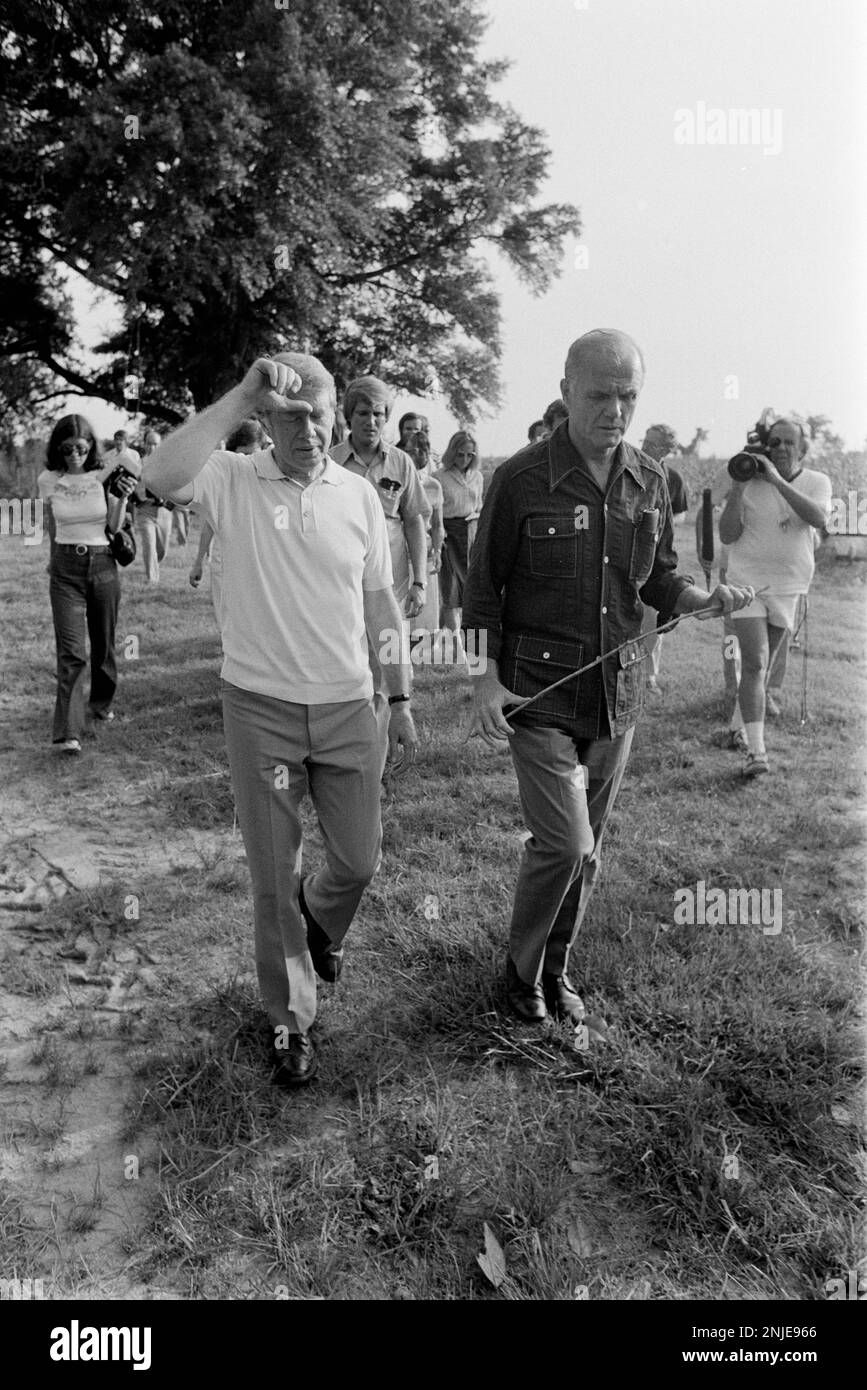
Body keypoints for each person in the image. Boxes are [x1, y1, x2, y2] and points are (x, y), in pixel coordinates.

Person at [462, 330, 754, 1024]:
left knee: (586, 853)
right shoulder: (520, 478)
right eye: (599, 395)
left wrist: (697, 599)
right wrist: (481, 679)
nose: (614, 410)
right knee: (565, 841)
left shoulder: (649, 480)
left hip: (614, 693)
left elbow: (655, 577)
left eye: (627, 396)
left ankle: (553, 972)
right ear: (566, 391)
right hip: (533, 691)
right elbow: (480, 590)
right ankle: (518, 971)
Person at [141, 353, 417, 1086]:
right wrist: (238, 394)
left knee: (358, 862)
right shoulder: (230, 479)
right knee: (274, 873)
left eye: (320, 416)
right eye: (291, 416)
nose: (310, 430)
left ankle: (318, 922)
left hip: (349, 703)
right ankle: (290, 1021)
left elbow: (379, 602)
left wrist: (397, 694)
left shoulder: (358, 495)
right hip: (258, 707)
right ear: (264, 419)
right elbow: (158, 477)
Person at [719, 417, 831, 778]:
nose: (780, 448)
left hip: (789, 586)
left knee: (761, 669)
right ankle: (757, 751)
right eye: (775, 442)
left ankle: (738, 727)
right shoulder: (748, 480)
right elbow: (727, 534)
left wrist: (776, 480)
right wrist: (737, 488)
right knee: (754, 663)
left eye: (788, 443)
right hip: (747, 583)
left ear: (802, 449)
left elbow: (816, 518)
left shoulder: (817, 482)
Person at [330, 377, 431, 709]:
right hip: (342, 577)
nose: (370, 422)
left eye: (378, 414)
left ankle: (390, 718)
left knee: (389, 647)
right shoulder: (330, 461)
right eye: (362, 413)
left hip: (392, 577)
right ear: (348, 416)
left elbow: (415, 519)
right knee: (348, 651)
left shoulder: (400, 462)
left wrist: (420, 581)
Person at [37, 415, 135, 753]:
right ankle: (69, 732)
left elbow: (114, 523)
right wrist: (53, 561)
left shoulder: (102, 475)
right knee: (71, 652)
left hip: (103, 564)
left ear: (91, 446)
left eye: (81, 447)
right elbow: (52, 524)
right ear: (58, 448)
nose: (75, 454)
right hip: (66, 568)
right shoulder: (48, 480)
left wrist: (121, 498)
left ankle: (101, 703)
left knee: (103, 643)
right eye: (67, 449)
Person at [189, 419, 267, 628]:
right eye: (242, 453)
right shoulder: (223, 482)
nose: (246, 459)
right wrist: (198, 562)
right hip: (224, 563)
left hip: (260, 565)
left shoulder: (272, 484)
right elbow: (209, 525)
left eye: (252, 453)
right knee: (227, 625)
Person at [639, 424, 689, 696]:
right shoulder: (630, 468)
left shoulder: (674, 478)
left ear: (667, 450)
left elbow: (681, 513)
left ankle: (649, 676)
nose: (647, 448)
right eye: (646, 442)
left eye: (655, 445)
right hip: (631, 552)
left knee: (654, 617)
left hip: (658, 555)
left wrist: (664, 516)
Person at [434, 430, 484, 656]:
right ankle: (457, 646)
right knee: (451, 589)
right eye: (460, 454)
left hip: (471, 532)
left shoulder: (478, 476)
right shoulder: (439, 477)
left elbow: (479, 505)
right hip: (448, 534)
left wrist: (477, 517)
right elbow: (432, 512)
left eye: (469, 455)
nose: (464, 460)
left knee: (471, 589)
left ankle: (470, 640)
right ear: (452, 453)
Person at [403, 429, 444, 641]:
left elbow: (437, 525)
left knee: (424, 617)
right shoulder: (398, 481)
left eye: (420, 451)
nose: (415, 455)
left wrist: (438, 551)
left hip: (425, 554)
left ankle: (420, 656)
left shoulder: (433, 486)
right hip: (400, 553)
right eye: (410, 450)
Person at [133, 429, 173, 582]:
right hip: (145, 509)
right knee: (149, 545)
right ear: (144, 444)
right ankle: (152, 579)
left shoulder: (167, 464)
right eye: (149, 444)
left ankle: (156, 563)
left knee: (162, 549)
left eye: (155, 444)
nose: (152, 447)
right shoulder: (138, 464)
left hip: (163, 510)